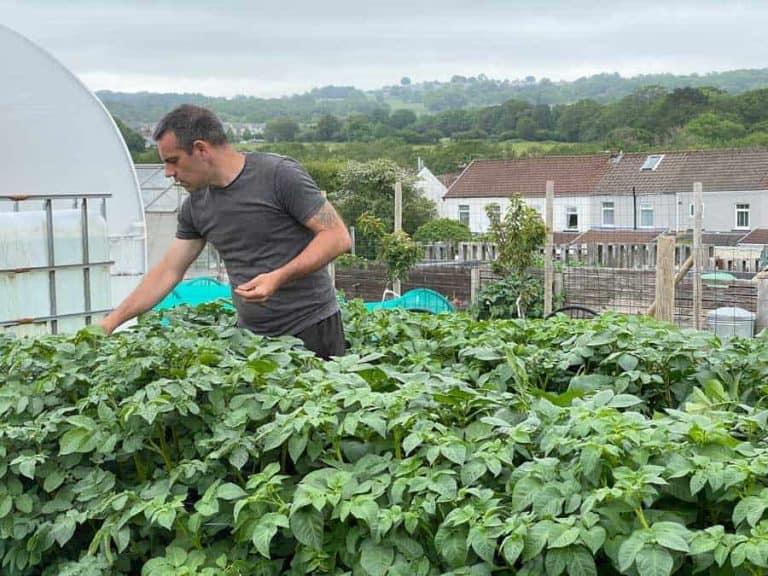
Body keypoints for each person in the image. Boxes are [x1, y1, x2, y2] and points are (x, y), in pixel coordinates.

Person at [99, 104, 351, 359]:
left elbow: (336, 237)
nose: (168, 173)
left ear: (201, 149)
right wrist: (112, 321)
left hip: (312, 329)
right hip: (251, 341)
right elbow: (168, 270)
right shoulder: (196, 207)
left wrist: (278, 277)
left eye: (173, 161)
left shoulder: (278, 175)